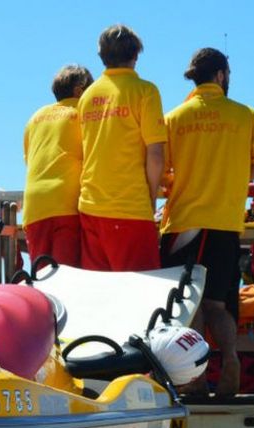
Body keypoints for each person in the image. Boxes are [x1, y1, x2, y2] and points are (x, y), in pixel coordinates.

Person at [158, 47, 254, 397]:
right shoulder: (245, 115)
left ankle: (193, 379)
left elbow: (160, 170)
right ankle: (229, 360)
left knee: (187, 306)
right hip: (225, 222)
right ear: (222, 76)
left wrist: (175, 183)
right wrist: (238, 175)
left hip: (183, 223)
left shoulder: (175, 118)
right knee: (217, 304)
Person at [76, 24, 167, 272]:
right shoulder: (145, 91)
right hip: (129, 207)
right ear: (135, 55)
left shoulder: (87, 96)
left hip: (90, 206)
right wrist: (150, 198)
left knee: (101, 294)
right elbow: (156, 155)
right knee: (141, 295)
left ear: (101, 56)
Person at [22, 65, 94, 268]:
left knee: (42, 281)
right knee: (66, 280)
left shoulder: (35, 118)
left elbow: (29, 160)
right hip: (66, 203)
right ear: (79, 91)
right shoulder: (83, 114)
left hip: (35, 206)